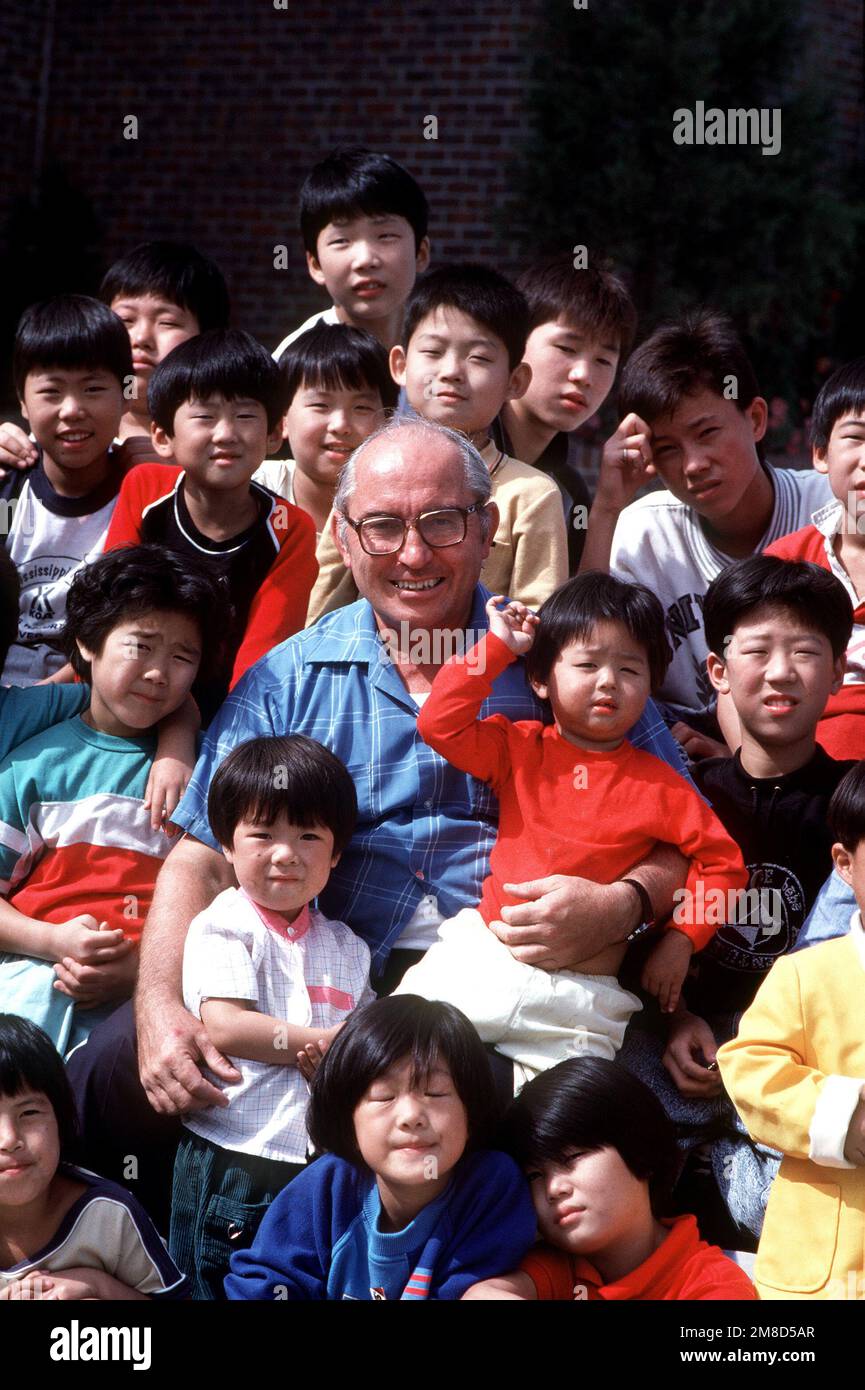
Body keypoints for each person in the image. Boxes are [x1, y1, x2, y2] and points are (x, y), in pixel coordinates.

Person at [67, 417, 691, 1225]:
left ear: (487, 527)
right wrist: (160, 1007)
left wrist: (625, 903)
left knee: (594, 1124)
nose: (413, 553)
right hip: (309, 977)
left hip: (515, 989)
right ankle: (84, 1255)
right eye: (384, 526)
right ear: (343, 534)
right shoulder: (291, 676)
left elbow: (687, 837)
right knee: (117, 1062)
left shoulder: (560, 661)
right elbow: (199, 855)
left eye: (441, 522)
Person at [396, 576, 747, 1084]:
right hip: (484, 957)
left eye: (630, 669)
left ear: (650, 686)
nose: (608, 682)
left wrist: (681, 941)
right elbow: (439, 723)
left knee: (564, 1128)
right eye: (586, 665)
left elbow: (724, 866)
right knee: (397, 1051)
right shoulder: (518, 749)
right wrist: (496, 648)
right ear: (540, 679)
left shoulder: (662, 786)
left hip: (585, 999)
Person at [619, 554, 855, 1241]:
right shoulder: (681, 796)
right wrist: (676, 1017)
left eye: (805, 653)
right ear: (717, 671)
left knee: (788, 1209)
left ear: (837, 673)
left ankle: (722, 1177)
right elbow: (643, 936)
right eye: (757, 651)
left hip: (805, 1053)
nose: (780, 672)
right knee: (604, 1117)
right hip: (685, 1037)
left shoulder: (852, 801)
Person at [0, 545, 227, 1053]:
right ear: (86, 642)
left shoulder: (209, 773)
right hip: (31, 993)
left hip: (154, 1010)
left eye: (182, 656)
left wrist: (144, 969)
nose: (157, 673)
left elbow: (228, 907)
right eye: (141, 646)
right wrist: (51, 940)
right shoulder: (32, 766)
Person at [170, 734, 374, 1300]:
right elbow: (228, 1026)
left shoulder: (348, 948)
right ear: (227, 846)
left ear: (336, 853)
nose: (286, 853)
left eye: (309, 836)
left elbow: (366, 1039)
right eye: (262, 834)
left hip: (316, 1163)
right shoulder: (225, 924)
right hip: (234, 1153)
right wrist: (328, 1044)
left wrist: (340, 1057)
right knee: (216, 1284)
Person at [580, 309, 832, 754]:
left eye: (707, 432)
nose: (694, 465)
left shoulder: (828, 511)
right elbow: (584, 655)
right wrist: (606, 507)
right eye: (668, 449)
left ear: (755, 420)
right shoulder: (643, 531)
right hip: (682, 757)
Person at [224, 995, 536, 1300]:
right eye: (385, 1095)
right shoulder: (329, 1186)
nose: (412, 1117)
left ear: (472, 1110)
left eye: (436, 1093)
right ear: (348, 1119)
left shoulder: (490, 1189)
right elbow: (266, 1281)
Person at [307, 263, 568, 620]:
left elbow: (537, 621)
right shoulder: (368, 475)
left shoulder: (531, 494)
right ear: (399, 364)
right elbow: (323, 605)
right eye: (433, 352)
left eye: (478, 358)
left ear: (516, 380)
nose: (451, 372)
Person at [103, 328, 318, 723]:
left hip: (235, 715)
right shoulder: (145, 488)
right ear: (163, 436)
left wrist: (196, 735)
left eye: (245, 415)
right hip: (129, 692)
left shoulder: (289, 528)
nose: (226, 434)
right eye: (204, 415)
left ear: (274, 433)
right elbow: (113, 611)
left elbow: (262, 663)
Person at [718, 761, 865, 1300]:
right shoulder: (804, 973)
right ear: (845, 865)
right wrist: (846, 1118)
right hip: (822, 1263)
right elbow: (749, 1068)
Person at [462, 1057, 755, 1300]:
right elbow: (484, 1294)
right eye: (534, 1175)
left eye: (572, 1158)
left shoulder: (713, 1287)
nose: (553, 1188)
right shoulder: (557, 1267)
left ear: (640, 1147)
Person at [0, 240, 230, 473]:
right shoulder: (48, 440)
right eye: (126, 320)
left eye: (167, 322)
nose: (140, 338)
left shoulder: (232, 445)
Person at [0, 1015, 189, 1300]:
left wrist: (100, 1287)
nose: (10, 1139)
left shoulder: (110, 1215)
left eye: (28, 1113)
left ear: (62, 1119)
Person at [2, 295, 133, 686]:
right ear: (23, 400)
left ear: (126, 391)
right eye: (52, 392)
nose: (72, 409)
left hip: (97, 692)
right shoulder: (9, 495)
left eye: (93, 389)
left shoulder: (142, 495)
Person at [495, 252, 639, 572]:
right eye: (567, 349)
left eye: (603, 360)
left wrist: (608, 504)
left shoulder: (569, 491)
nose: (583, 375)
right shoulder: (461, 453)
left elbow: (578, 612)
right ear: (517, 342)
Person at [763, 358, 865, 757]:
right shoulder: (785, 564)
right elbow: (742, 681)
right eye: (856, 437)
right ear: (821, 454)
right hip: (800, 788)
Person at [272, 146, 431, 358]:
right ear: (315, 265)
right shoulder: (294, 362)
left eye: (385, 236)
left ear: (420, 252)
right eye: (341, 240)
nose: (365, 260)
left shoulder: (448, 350)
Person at [254, 322, 396, 546]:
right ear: (282, 419)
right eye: (321, 405)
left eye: (361, 408)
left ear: (388, 422)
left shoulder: (402, 503)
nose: (340, 425)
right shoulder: (250, 491)